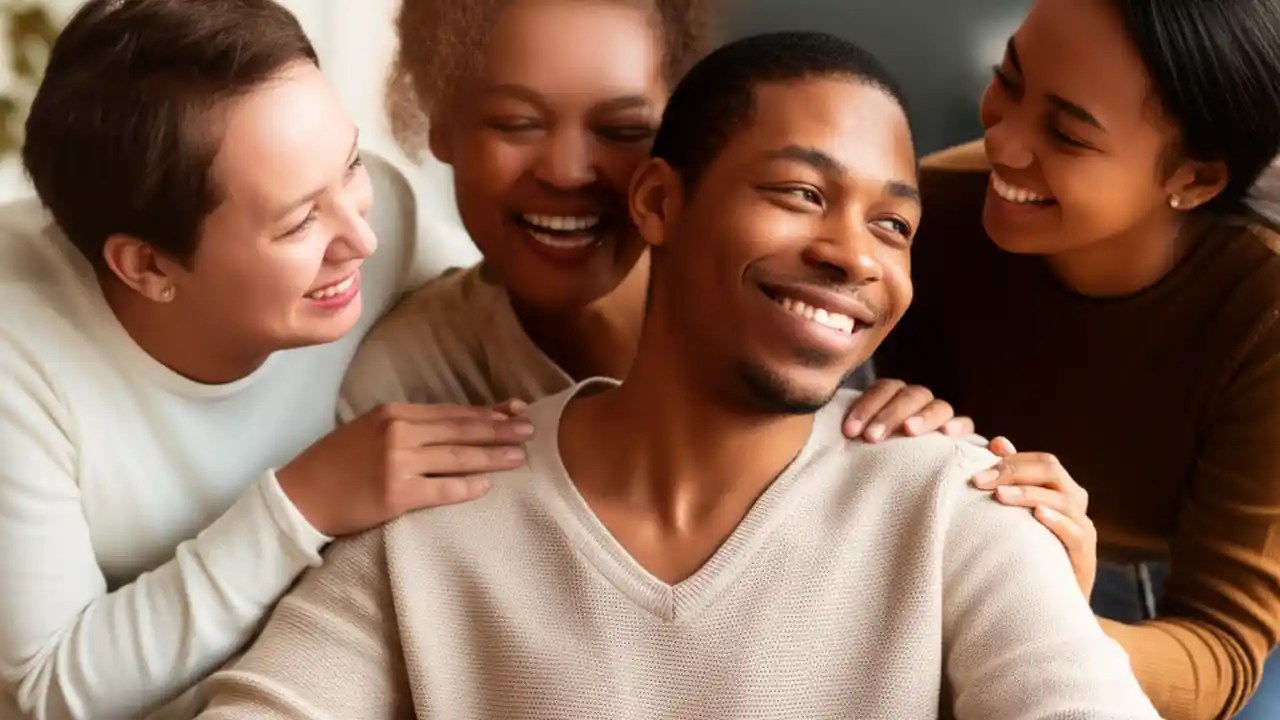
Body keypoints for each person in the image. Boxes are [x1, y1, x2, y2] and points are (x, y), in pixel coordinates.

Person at [200, 32, 1159, 720]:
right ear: (659, 201)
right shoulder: (434, 516)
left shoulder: (958, 505)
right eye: (801, 193)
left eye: (892, 225)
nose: (854, 255)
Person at [0, 1, 531, 718]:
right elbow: (46, 689)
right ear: (148, 266)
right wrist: (303, 502)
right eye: (299, 220)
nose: (360, 240)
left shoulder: (387, 223)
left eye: (349, 165)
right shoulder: (18, 350)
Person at [873, 0, 1280, 717]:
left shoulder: (1263, 310)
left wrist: (1036, 617)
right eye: (1010, 77)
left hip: (1154, 613)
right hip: (977, 559)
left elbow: (1221, 648)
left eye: (1065, 132)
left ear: (1193, 179)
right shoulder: (926, 218)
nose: (1003, 142)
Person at [339, 0, 969, 442]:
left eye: (622, 131)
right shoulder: (408, 377)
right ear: (440, 122)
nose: (566, 172)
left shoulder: (785, 308)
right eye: (516, 122)